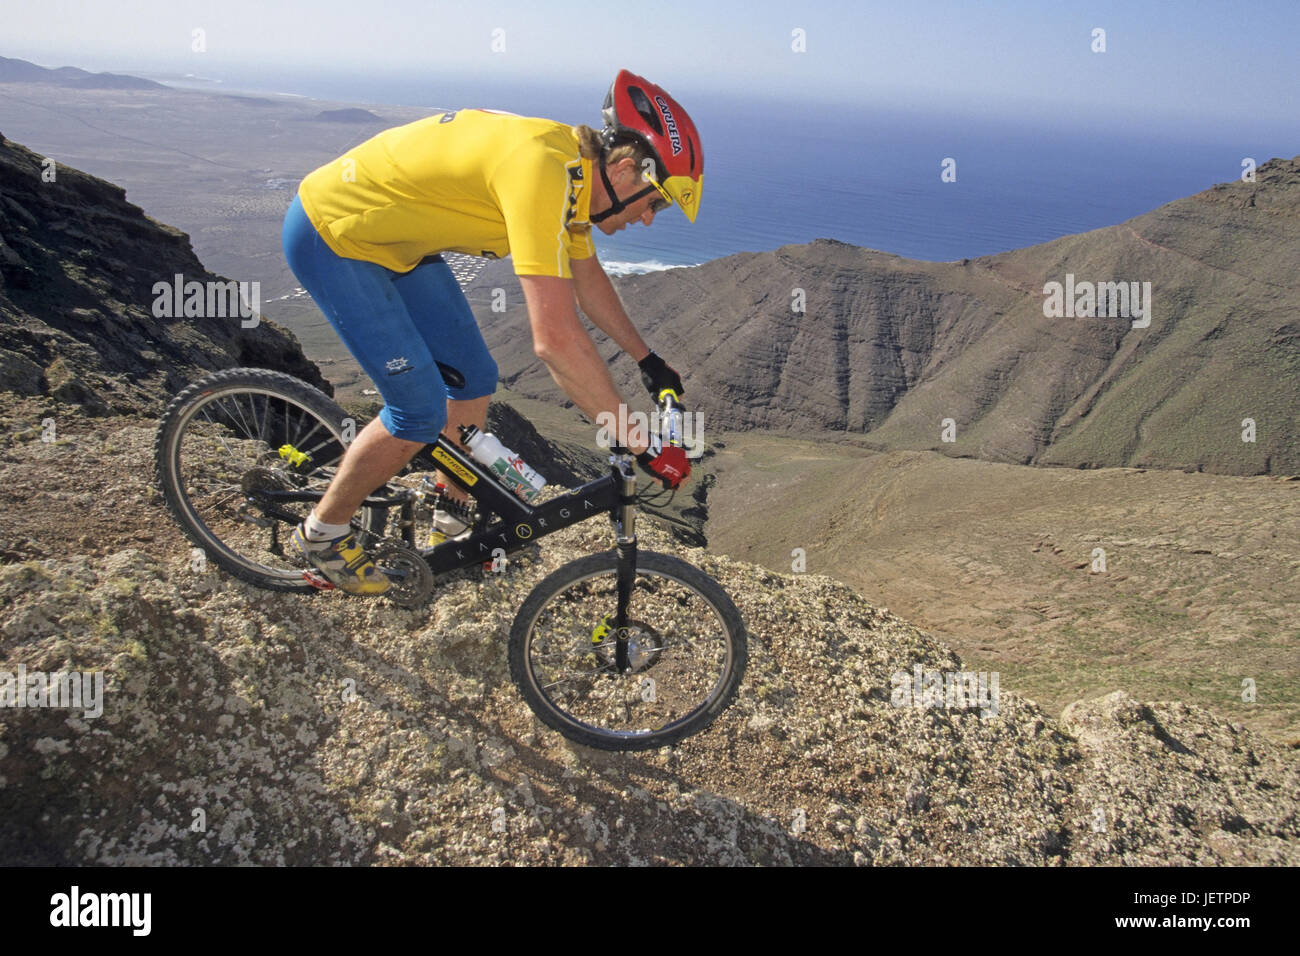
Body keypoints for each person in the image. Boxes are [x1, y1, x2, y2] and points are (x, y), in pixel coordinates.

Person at [279, 70, 702, 595]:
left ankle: (452, 513)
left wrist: (648, 360)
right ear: (622, 170)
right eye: (656, 201)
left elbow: (587, 281)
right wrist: (637, 441)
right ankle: (323, 534)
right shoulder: (541, 171)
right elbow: (554, 341)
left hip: (398, 247)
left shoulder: (572, 174)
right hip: (333, 235)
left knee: (475, 377)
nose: (649, 220)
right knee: (418, 413)